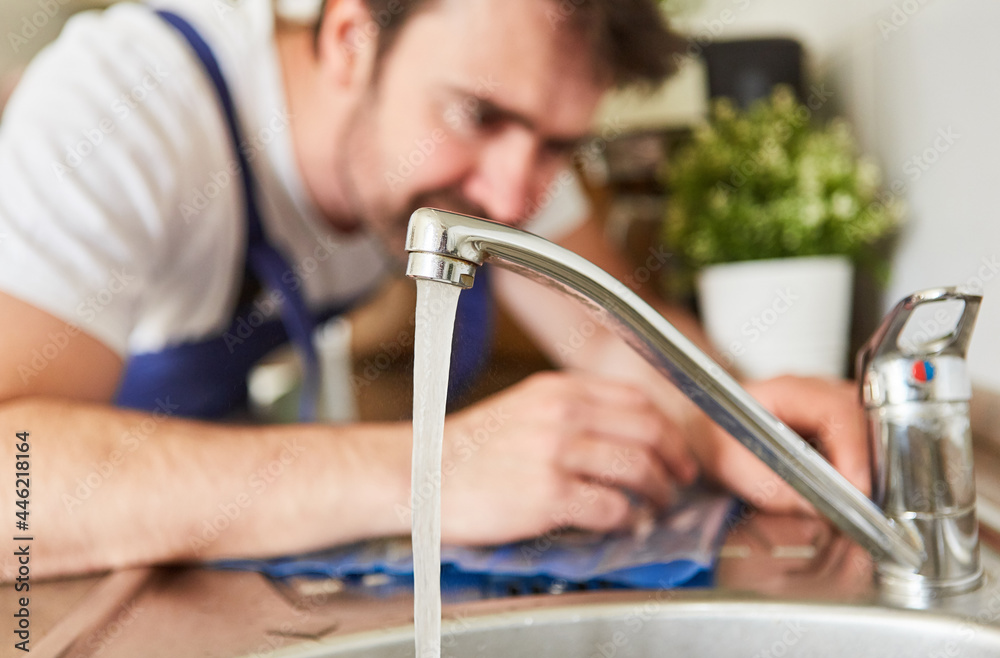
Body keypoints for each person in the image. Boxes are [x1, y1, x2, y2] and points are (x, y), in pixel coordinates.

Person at [0, 0, 869, 580]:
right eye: (476, 116)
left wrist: (731, 419)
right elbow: (15, 480)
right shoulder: (123, 111)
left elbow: (607, 337)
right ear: (351, 38)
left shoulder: (507, 150)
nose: (510, 198)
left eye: (560, 145)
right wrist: (430, 471)